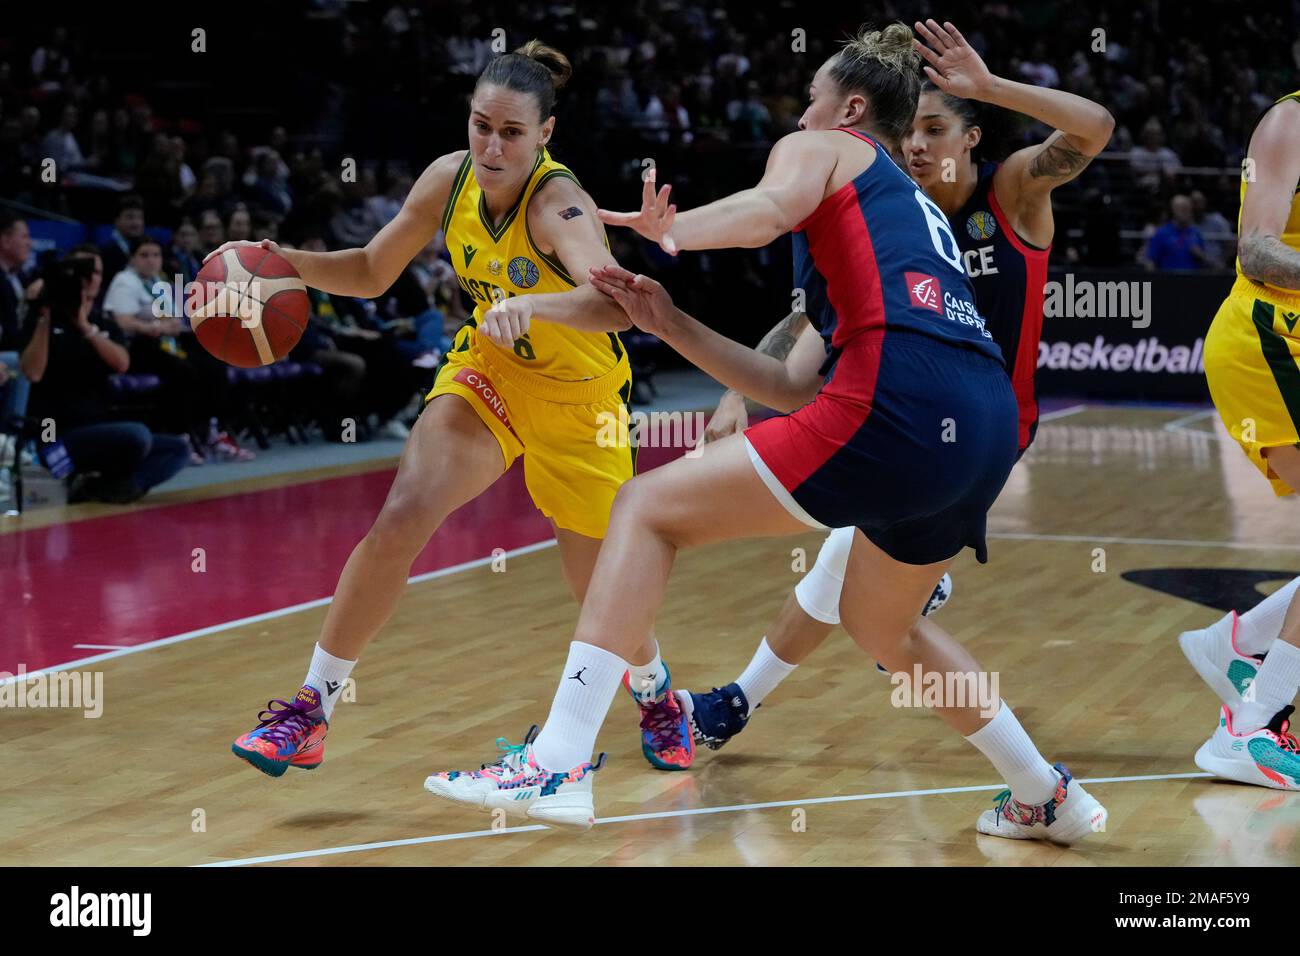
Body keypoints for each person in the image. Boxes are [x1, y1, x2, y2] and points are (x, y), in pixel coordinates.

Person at [424, 22, 1108, 844]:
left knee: (642, 508)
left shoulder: (831, 148)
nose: (801, 110)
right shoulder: (903, 210)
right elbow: (789, 383)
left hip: (899, 402)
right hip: (985, 427)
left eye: (812, 97)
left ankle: (559, 760)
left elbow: (765, 210)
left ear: (850, 107)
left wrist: (669, 231)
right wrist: (669, 321)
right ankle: (1044, 793)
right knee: (884, 625)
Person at [215, 40, 692, 779]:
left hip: (580, 399)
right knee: (404, 512)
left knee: (597, 589)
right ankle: (310, 709)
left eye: (510, 132)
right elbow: (374, 270)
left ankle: (659, 695)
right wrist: (287, 263)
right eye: (480, 126)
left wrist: (534, 306)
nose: (491, 145)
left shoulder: (557, 202)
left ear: (545, 135)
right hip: (490, 374)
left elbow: (616, 305)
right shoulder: (449, 178)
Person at [678, 20, 1114, 754]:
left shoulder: (1009, 193)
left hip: (984, 426)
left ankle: (736, 701)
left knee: (855, 583)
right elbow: (805, 318)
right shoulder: (894, 209)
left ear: (972, 139)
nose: (918, 146)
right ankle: (734, 702)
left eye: (938, 129)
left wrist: (991, 87)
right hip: (907, 417)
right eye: (910, 130)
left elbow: (1096, 127)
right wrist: (733, 393)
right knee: (842, 573)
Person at [1185, 87, 1300, 790]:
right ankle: (1252, 728)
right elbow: (1256, 250)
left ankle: (1236, 642)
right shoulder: (1291, 120)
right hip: (1269, 342)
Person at [19, 249, 189, 503]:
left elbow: (122, 363)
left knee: (176, 449)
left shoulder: (104, 324)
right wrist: (45, 314)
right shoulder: (42, 319)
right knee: (136, 435)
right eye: (81, 272)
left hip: (98, 426)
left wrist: (85, 327)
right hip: (52, 428)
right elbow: (32, 372)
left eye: (95, 272)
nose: (89, 279)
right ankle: (88, 481)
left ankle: (106, 487)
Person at [1140, 194, 1207, 270]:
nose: (1187, 213)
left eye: (1188, 209)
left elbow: (1204, 259)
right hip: (1168, 280)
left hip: (1193, 280)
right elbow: (1151, 259)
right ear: (1173, 210)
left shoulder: (1196, 233)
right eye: (1183, 209)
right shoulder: (1162, 233)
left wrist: (1200, 255)